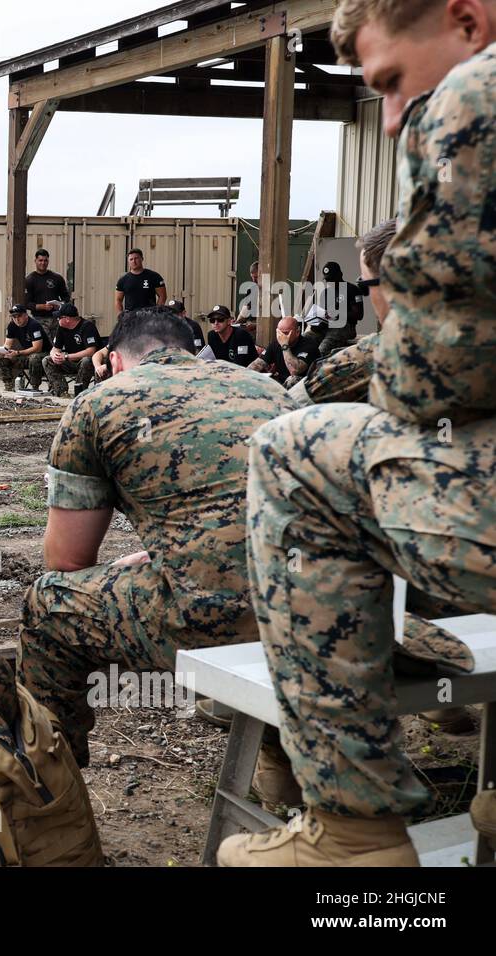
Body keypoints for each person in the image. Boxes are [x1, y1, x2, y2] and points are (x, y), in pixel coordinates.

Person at [221, 0, 496, 866]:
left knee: (300, 455)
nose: (389, 116)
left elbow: (424, 382)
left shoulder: (473, 94)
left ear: (466, 17)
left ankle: (355, 831)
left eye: (387, 82)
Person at [18, 307, 297, 770]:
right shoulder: (272, 392)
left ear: (113, 360)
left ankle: (48, 788)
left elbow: (67, 561)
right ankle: (281, 769)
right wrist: (168, 548)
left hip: (220, 621)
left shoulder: (98, 402)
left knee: (49, 603)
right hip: (319, 610)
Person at [292, 218, 398, 407]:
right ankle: (299, 368)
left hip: (343, 327)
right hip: (326, 325)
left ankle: (314, 368)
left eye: (367, 283)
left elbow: (358, 314)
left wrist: (339, 314)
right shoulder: (325, 291)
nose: (330, 282)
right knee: (307, 338)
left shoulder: (351, 289)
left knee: (325, 346)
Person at [38, 303, 99, 397]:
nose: (57, 320)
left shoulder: (87, 326)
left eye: (59, 317)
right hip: (69, 362)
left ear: (67, 319)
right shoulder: (62, 328)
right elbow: (55, 348)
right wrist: (54, 355)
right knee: (47, 360)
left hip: (86, 363)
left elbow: (91, 351)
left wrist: (66, 356)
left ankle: (79, 392)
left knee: (87, 360)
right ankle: (62, 392)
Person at [314, 259, 365, 357]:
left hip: (345, 327)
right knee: (306, 340)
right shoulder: (325, 293)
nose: (330, 282)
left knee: (322, 350)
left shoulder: (353, 290)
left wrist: (337, 314)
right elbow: (323, 313)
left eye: (332, 279)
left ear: (340, 275)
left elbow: (359, 315)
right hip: (327, 327)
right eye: (327, 280)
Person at [249, 315, 318, 386]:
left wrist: (285, 346)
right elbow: (258, 364)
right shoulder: (275, 345)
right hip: (282, 383)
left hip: (305, 386)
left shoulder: (309, 345)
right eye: (279, 333)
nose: (281, 336)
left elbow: (295, 370)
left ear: (297, 332)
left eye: (286, 333)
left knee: (293, 380)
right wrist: (243, 374)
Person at [0, 303, 45, 391]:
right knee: (1, 357)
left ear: (26, 315)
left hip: (43, 354)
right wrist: (4, 351)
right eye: (14, 317)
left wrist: (18, 353)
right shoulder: (12, 325)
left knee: (34, 357)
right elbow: (7, 344)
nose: (16, 319)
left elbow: (37, 348)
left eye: (19, 316)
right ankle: (8, 385)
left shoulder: (34, 325)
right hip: (25, 355)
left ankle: (35, 386)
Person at [24, 248, 69, 340]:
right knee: (45, 344)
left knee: (58, 345)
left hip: (56, 318)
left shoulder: (57, 278)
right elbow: (27, 303)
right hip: (39, 319)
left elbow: (66, 296)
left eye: (45, 260)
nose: (43, 263)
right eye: (40, 260)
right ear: (35, 261)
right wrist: (42, 306)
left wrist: (60, 305)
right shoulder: (29, 280)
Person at [113, 248, 166, 314]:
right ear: (128, 261)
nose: (134, 261)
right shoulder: (123, 280)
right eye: (131, 259)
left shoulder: (154, 276)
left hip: (148, 317)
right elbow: (118, 300)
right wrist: (120, 315)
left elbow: (162, 296)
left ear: (142, 259)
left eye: (136, 258)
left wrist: (156, 312)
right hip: (131, 317)